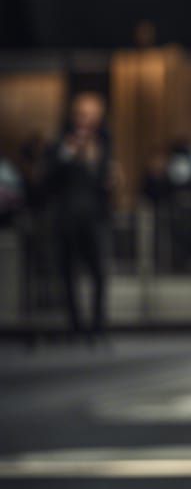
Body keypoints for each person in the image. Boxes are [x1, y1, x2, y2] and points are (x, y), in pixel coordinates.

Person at [43, 91, 114, 341]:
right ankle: (76, 326)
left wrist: (94, 160)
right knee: (68, 274)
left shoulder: (103, 143)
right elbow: (47, 180)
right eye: (84, 115)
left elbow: (104, 181)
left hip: (94, 219)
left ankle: (97, 326)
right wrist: (69, 153)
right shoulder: (60, 143)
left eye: (93, 116)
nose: (87, 121)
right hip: (66, 219)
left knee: (99, 273)